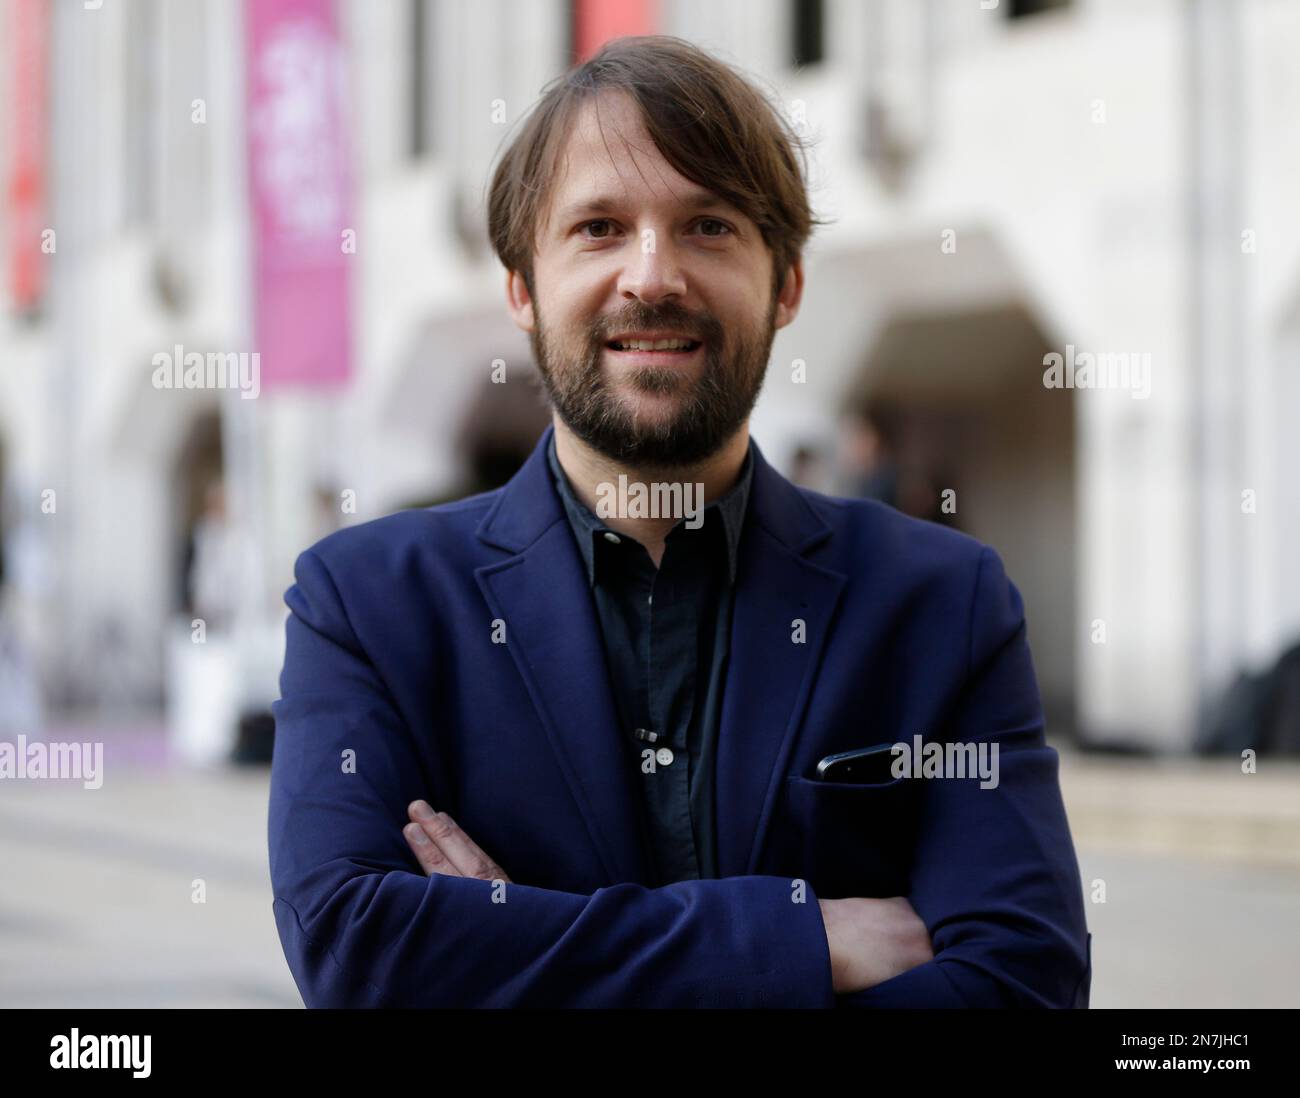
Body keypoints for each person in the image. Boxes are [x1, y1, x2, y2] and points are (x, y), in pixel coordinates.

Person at [267, 35, 1090, 1008]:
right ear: (521, 292)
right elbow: (358, 947)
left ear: (785, 285)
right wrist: (799, 942)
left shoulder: (940, 603)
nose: (651, 277)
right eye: (599, 228)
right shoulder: (367, 605)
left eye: (707, 226)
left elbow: (1020, 987)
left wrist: (513, 951)